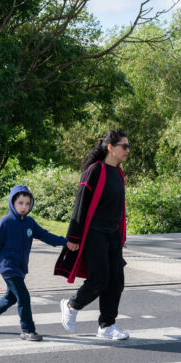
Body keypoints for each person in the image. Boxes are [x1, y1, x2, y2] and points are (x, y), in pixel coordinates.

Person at [55, 130, 131, 340]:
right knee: (99, 279)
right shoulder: (94, 171)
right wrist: (73, 238)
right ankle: (71, 305)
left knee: (116, 281)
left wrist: (122, 236)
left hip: (112, 235)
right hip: (94, 233)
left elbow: (119, 209)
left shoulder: (118, 173)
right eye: (124, 146)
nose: (128, 150)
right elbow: (80, 205)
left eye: (128, 146)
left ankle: (107, 326)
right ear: (110, 147)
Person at [0, 184, 66, 342]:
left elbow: (46, 236)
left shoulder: (30, 223)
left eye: (27, 203)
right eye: (20, 203)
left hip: (20, 267)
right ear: (13, 202)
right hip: (7, 267)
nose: (24, 207)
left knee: (12, 297)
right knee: (24, 297)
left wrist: (65, 242)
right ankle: (27, 330)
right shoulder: (5, 222)